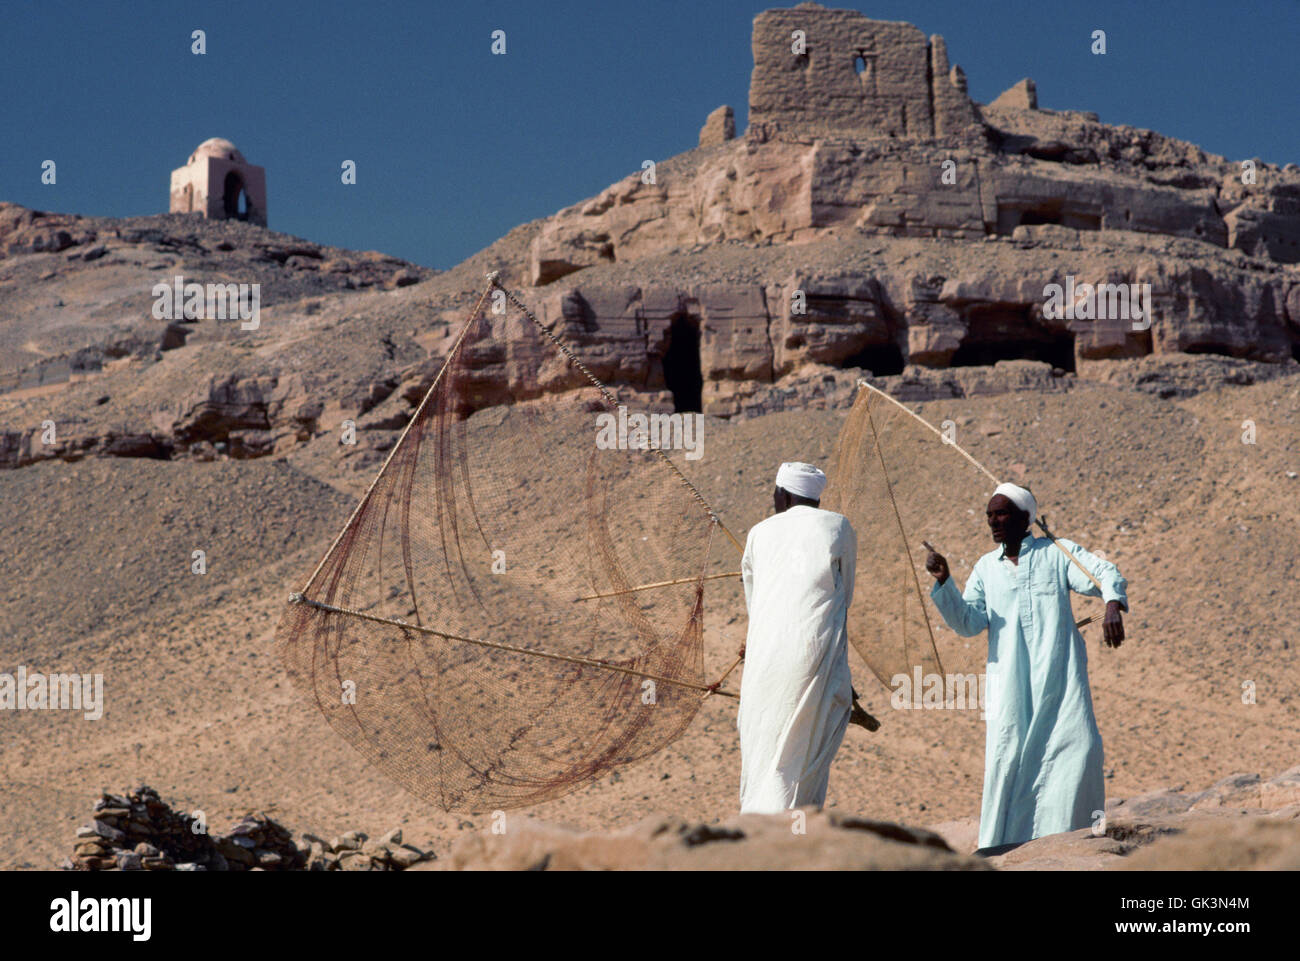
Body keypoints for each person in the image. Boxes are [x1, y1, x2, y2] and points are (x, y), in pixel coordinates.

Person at [924, 482, 1128, 849]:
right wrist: (944, 581)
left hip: (1060, 677)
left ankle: (1071, 842)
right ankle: (1004, 846)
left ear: (1025, 517)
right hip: (1010, 684)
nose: (993, 521)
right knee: (1008, 758)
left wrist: (1112, 602)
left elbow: (1101, 573)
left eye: (1001, 513)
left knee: (1079, 747)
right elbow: (968, 623)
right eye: (989, 515)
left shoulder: (1057, 553)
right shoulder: (987, 567)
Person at [737, 461, 875, 815]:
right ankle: (789, 836)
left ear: (782, 494)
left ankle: (761, 836)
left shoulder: (758, 533)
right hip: (814, 656)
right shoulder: (838, 526)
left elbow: (755, 603)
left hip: (763, 662)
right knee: (802, 754)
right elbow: (845, 596)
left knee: (763, 751)